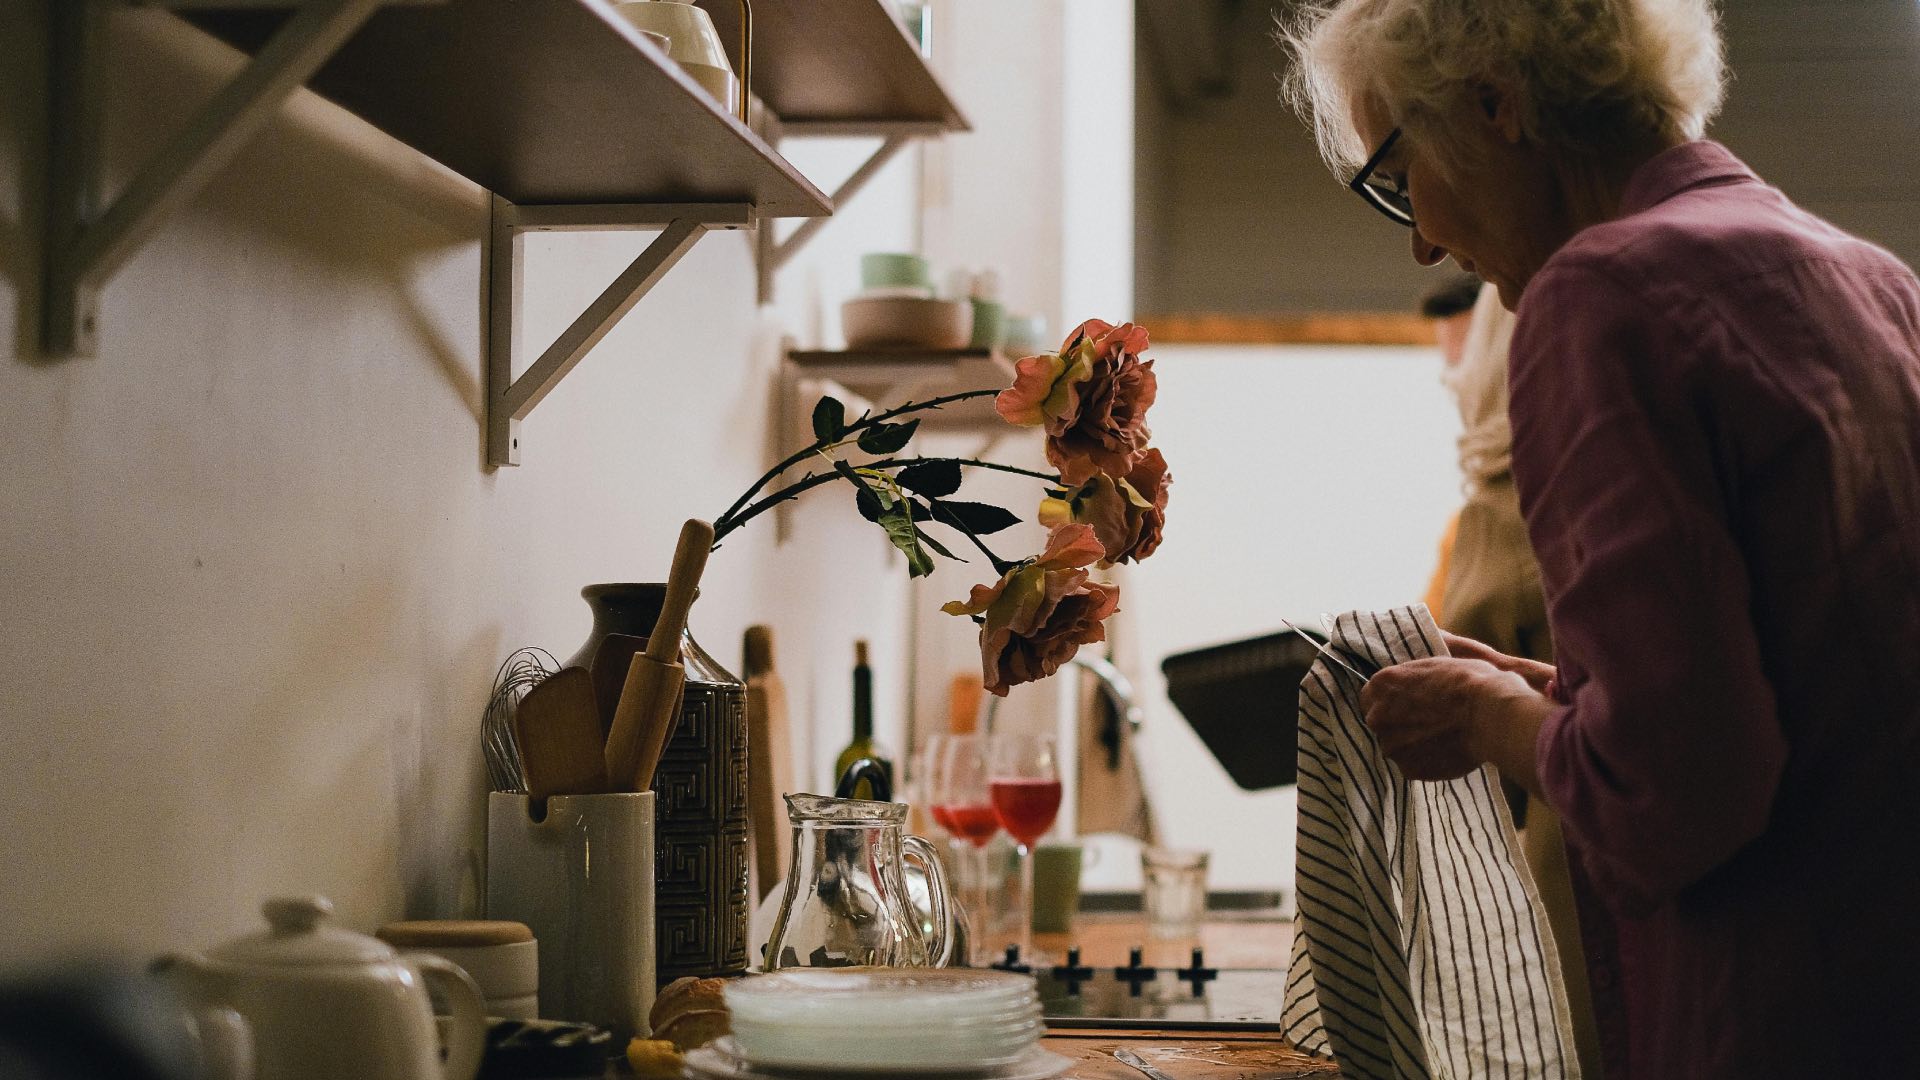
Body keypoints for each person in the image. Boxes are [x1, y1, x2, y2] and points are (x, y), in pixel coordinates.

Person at [1284, 2, 1920, 1078]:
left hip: (1769, 1013)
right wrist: (1561, 699)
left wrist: (1489, 717)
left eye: (1399, 177)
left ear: (1495, 107)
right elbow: (1815, 687)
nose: (1422, 238)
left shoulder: (1602, 296)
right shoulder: (1870, 278)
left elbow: (1671, 799)